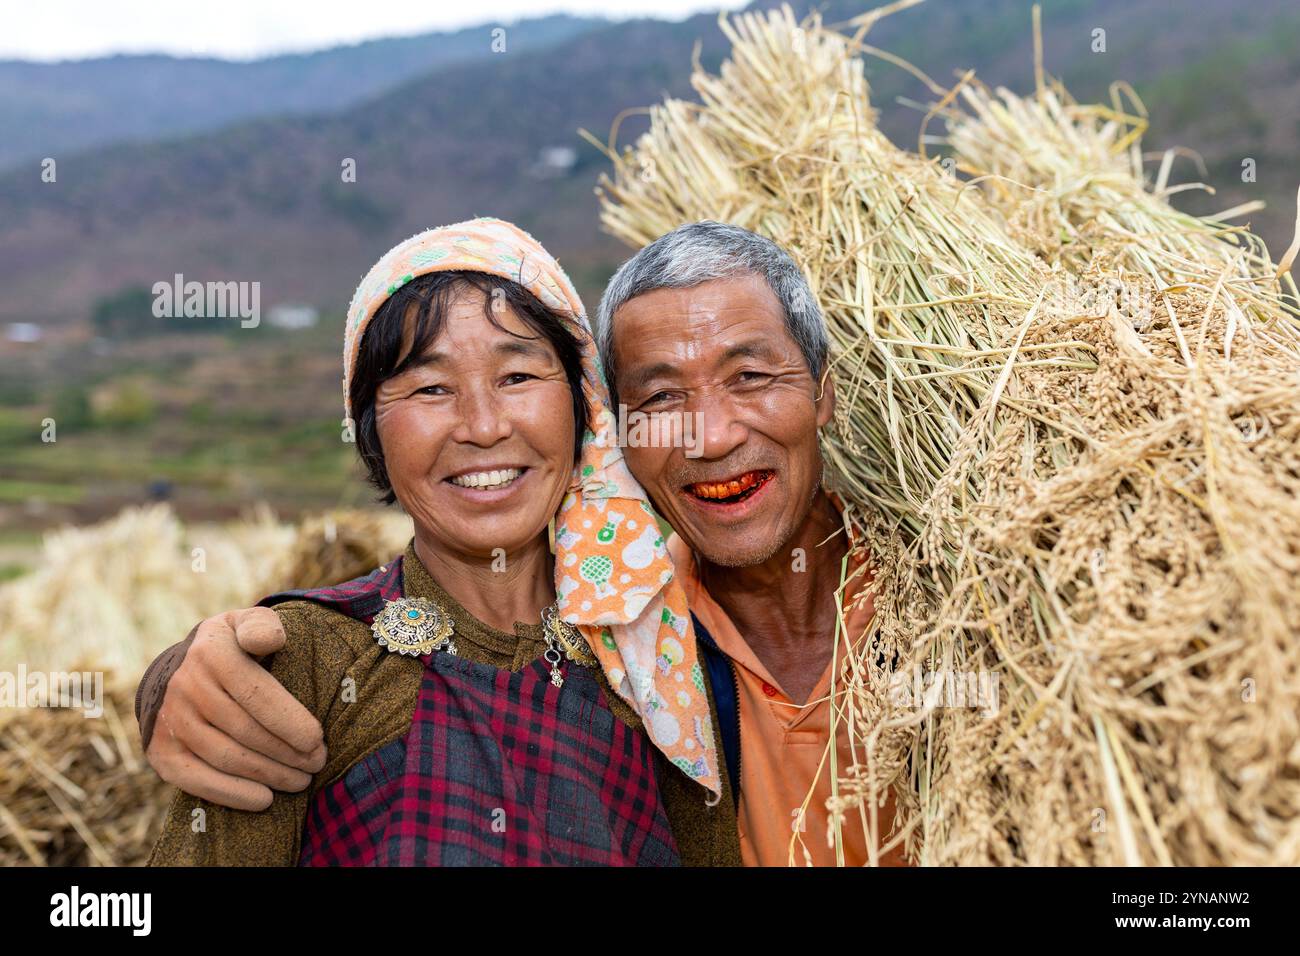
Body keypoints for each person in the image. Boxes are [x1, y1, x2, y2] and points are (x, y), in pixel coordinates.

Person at [138, 221, 912, 867]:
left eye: (517, 377)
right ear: (370, 431)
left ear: (583, 415)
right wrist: (172, 680)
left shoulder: (649, 657)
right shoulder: (301, 671)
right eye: (430, 388)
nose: (482, 426)